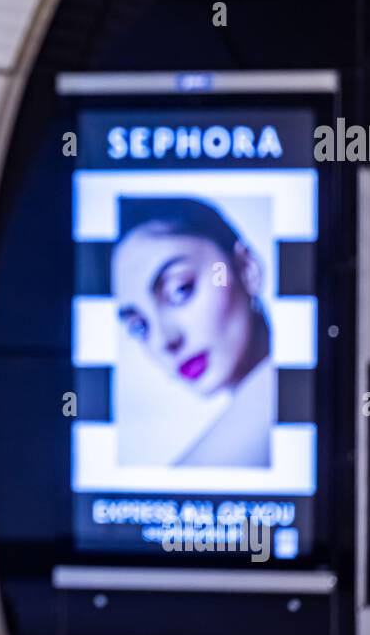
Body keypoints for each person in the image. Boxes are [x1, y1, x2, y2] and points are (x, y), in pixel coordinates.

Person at [111, 197, 272, 466]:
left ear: (246, 268)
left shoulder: (286, 388)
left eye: (180, 290)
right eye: (139, 325)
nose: (165, 340)